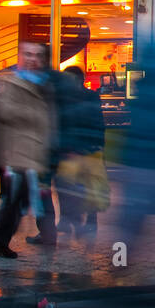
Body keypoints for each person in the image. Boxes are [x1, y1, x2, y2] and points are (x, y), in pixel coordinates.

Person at [0, 41, 58, 258]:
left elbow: (52, 118)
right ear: (20, 56)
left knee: (37, 196)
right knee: (14, 200)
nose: (32, 59)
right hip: (18, 153)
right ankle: (0, 244)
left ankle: (47, 235)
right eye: (28, 54)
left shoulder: (47, 85)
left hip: (40, 152)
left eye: (37, 55)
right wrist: (32, 114)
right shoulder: (11, 82)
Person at [54, 66, 107, 240]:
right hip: (70, 150)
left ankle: (89, 222)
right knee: (65, 185)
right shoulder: (64, 98)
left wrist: (95, 146)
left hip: (86, 150)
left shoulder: (89, 97)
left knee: (87, 187)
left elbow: (96, 123)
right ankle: (67, 220)